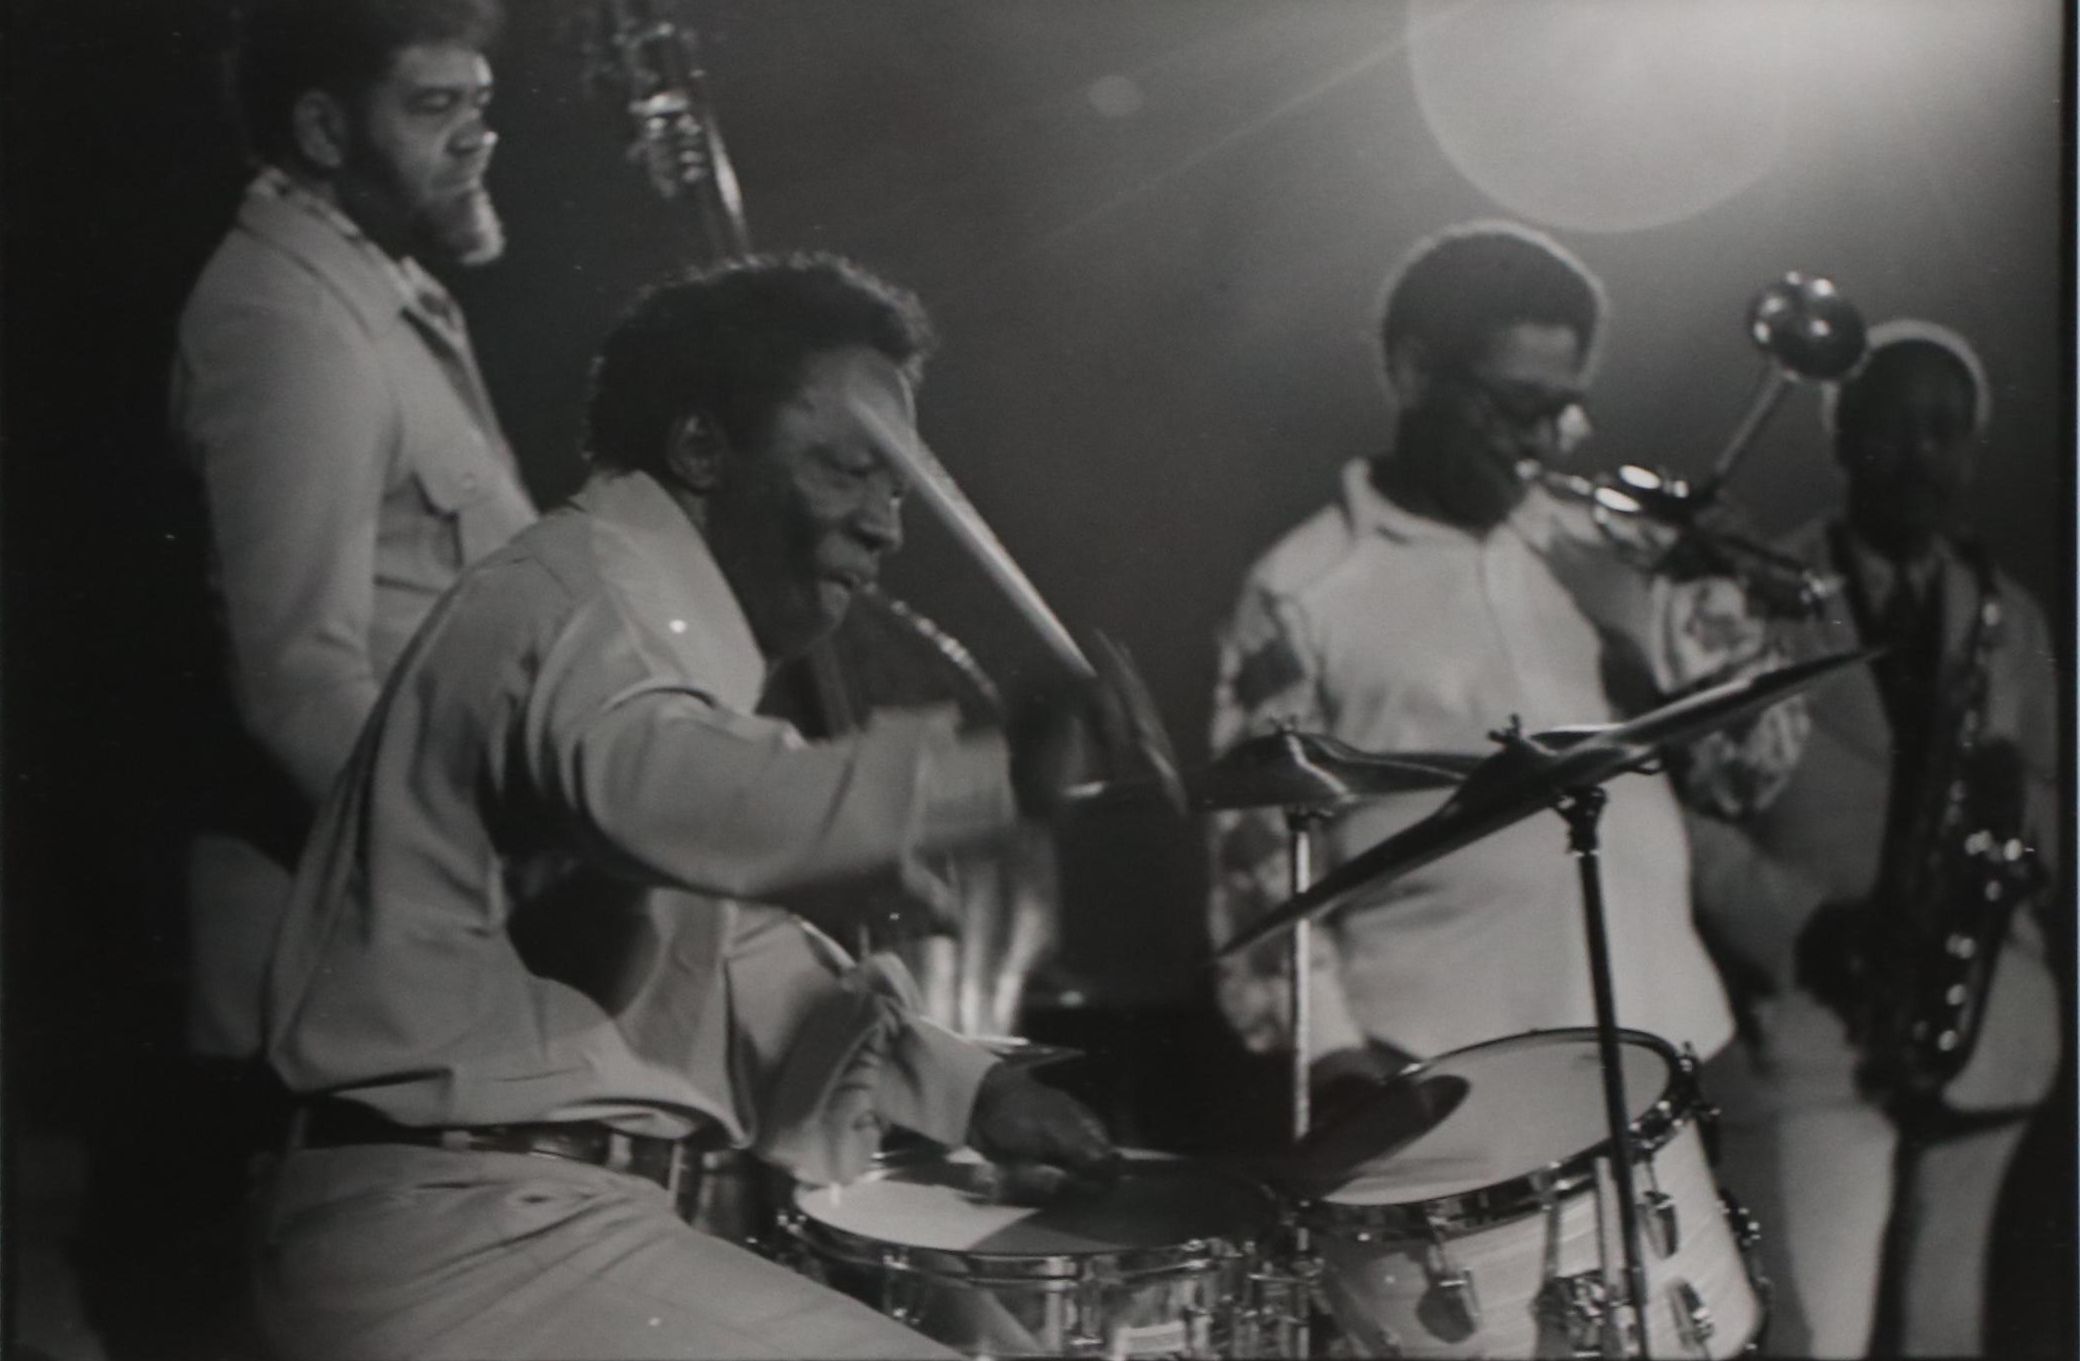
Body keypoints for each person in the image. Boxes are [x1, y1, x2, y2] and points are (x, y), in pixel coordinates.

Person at [253, 253, 1121, 1360]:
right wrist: (993, 770)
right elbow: (658, 787)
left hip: (508, 1229)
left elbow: (736, 958)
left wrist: (967, 1087)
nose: (884, 527)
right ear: (702, 447)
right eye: (849, 470)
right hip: (468, 1243)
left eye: (896, 484)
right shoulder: (591, 599)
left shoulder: (632, 629)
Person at [1207, 220, 1797, 1105]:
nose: (1548, 441)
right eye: (1515, 405)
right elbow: (1253, 863)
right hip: (1444, 1067)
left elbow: (1752, 779)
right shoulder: (1301, 587)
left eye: (1563, 409)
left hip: (1677, 1041)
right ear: (1412, 373)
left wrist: (1701, 622)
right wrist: (1330, 1054)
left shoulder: (1613, 546)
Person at [1686, 320, 2063, 1357]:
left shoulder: (2008, 614)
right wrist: (1805, 926)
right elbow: (1690, 819)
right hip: (1818, 1021)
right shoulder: (1758, 595)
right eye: (1891, 428)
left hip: (1986, 1022)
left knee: (1949, 1326)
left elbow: (2049, 803)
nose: (1920, 455)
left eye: (1945, 431)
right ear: (1841, 437)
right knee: (1822, 1327)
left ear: (1971, 450)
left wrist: (2018, 820)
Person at [171, 0, 536, 1066]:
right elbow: (297, 678)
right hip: (350, 978)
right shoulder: (288, 323)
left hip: (409, 951)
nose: (474, 137)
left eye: (480, 103)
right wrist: (486, 866)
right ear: (326, 132)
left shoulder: (378, 283)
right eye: (433, 107)